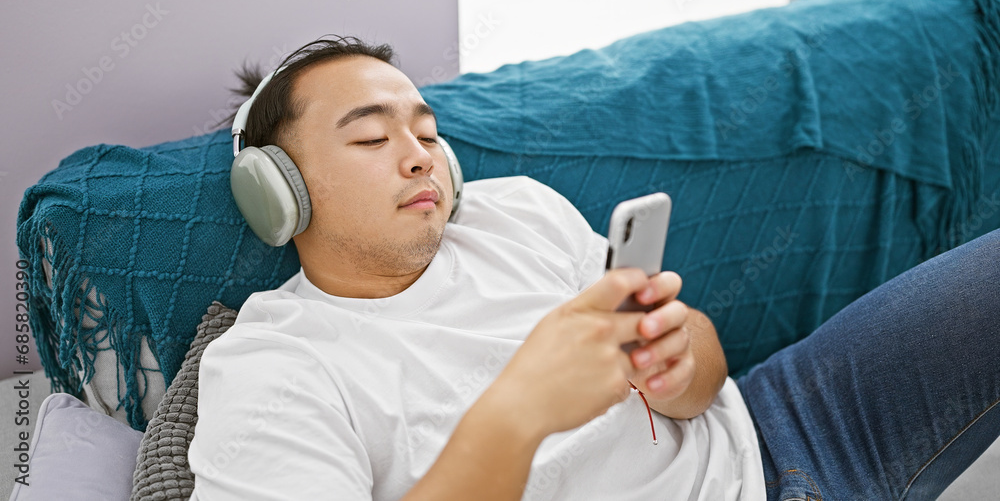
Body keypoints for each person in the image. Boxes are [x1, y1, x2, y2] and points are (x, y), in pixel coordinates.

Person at [187, 36, 1000, 500]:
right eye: (371, 138)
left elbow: (704, 373)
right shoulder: (272, 368)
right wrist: (515, 414)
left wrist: (683, 364)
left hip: (784, 425)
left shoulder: (514, 211)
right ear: (277, 192)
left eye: (429, 132)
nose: (419, 159)